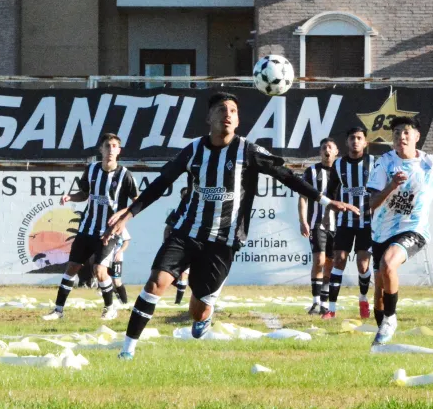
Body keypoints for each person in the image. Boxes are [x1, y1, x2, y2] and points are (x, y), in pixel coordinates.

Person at [105, 92, 359, 360]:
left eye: (233, 111)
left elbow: (286, 176)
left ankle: (204, 315)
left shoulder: (247, 151)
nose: (228, 114)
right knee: (156, 282)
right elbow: (160, 183)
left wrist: (324, 199)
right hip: (187, 232)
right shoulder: (193, 150)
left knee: (198, 308)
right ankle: (127, 350)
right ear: (208, 117)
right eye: (221, 109)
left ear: (238, 121)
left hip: (223, 242)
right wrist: (129, 212)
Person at [367, 116, 433, 346]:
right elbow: (371, 203)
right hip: (382, 231)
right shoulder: (384, 164)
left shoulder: (429, 162)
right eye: (397, 132)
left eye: (406, 132)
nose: (401, 136)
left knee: (389, 264)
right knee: (379, 288)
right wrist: (392, 185)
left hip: (414, 229)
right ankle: (381, 336)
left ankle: (391, 319)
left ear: (416, 137)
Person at [43, 133, 138, 322]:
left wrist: (121, 215)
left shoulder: (125, 175)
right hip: (87, 228)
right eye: (107, 146)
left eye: (114, 146)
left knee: (100, 271)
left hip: (108, 232)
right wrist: (71, 197)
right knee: (72, 267)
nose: (111, 150)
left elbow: (137, 202)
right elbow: (85, 194)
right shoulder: (92, 169)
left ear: (119, 151)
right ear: (101, 149)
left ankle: (110, 308)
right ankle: (58, 310)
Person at [321, 126, 376, 320]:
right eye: (352, 138)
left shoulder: (374, 162)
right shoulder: (338, 165)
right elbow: (330, 194)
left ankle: (363, 298)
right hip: (344, 222)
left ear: (365, 142)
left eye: (359, 138)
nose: (355, 141)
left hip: (367, 222)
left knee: (363, 265)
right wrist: (328, 214)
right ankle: (331, 309)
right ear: (347, 142)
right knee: (339, 260)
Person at [297, 138, 338, 316]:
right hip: (317, 223)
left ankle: (324, 302)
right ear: (320, 152)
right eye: (323, 148)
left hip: (338, 225)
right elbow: (303, 197)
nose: (326, 150)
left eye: (330, 147)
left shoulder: (342, 171)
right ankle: (315, 303)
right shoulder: (311, 171)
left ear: (336, 151)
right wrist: (303, 220)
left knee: (331, 263)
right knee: (319, 261)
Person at [164, 186, 191, 305]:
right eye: (183, 194)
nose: (185, 196)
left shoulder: (195, 210)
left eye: (187, 194)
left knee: (184, 274)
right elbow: (167, 228)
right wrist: (165, 243)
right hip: (176, 244)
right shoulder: (176, 212)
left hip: (190, 244)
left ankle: (178, 302)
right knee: (168, 274)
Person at [110, 229, 131, 305]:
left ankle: (124, 302)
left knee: (116, 281)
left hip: (116, 258)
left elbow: (126, 241)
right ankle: (111, 302)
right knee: (106, 279)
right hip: (106, 256)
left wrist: (120, 252)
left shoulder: (121, 226)